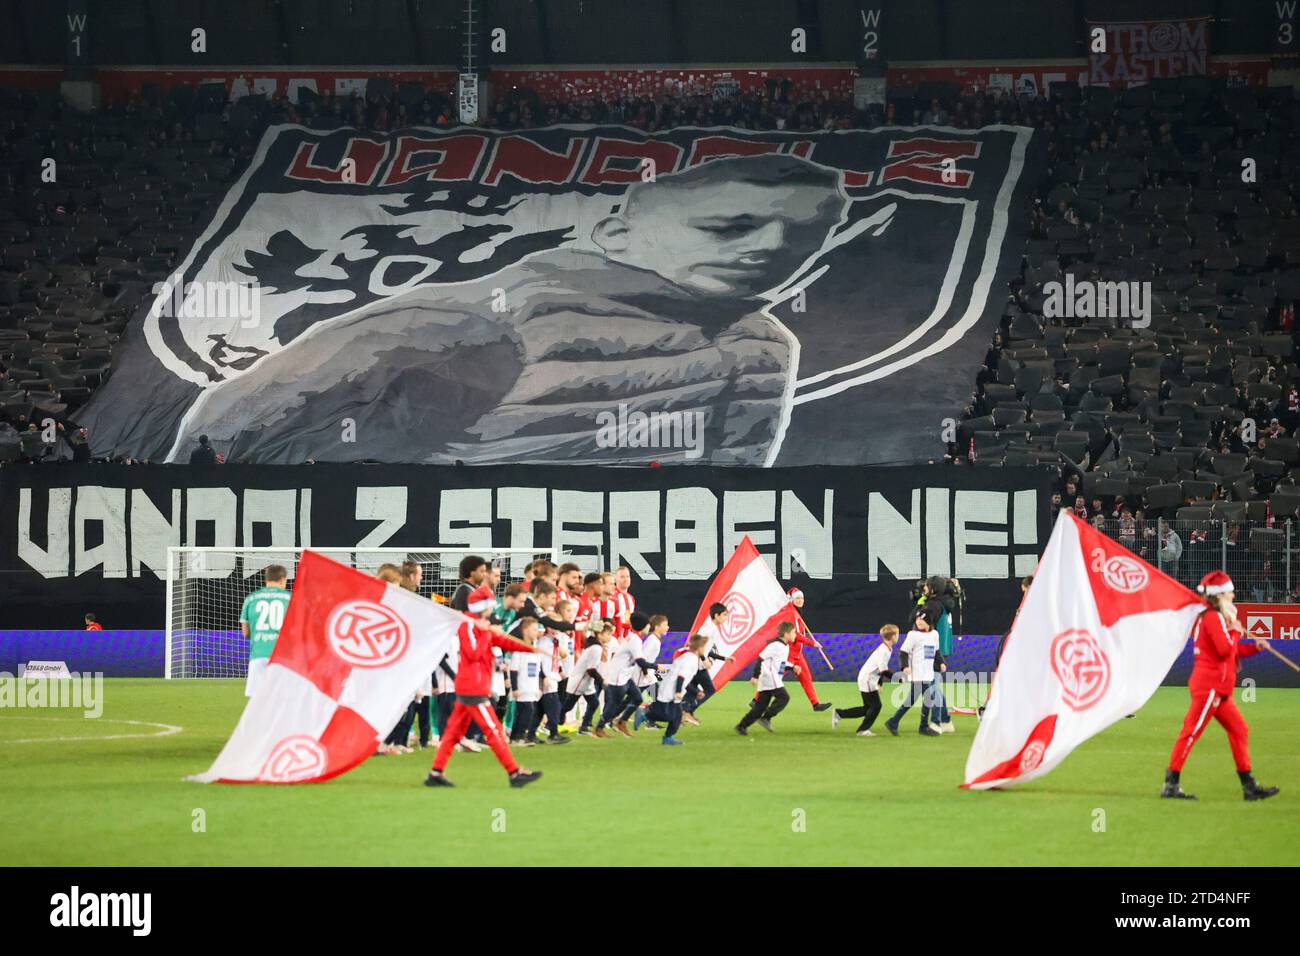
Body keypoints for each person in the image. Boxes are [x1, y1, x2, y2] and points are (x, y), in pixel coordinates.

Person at [160, 154, 847, 466]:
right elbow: (244, 412)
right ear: (615, 234)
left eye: (799, 237)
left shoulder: (767, 348)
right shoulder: (484, 320)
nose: (769, 250)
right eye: (730, 228)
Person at [1162, 571, 1279, 801]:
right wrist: (1235, 629)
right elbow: (1226, 649)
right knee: (1191, 732)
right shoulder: (1213, 618)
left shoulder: (1215, 617)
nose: (1234, 595)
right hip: (1210, 687)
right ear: (1221, 595)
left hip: (1218, 688)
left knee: (1239, 730)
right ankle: (1171, 784)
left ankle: (1249, 786)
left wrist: (1255, 647)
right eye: (1230, 591)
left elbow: (1229, 652)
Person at [425, 585, 542, 789]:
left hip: (472, 686)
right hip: (473, 687)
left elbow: (502, 640)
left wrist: (529, 647)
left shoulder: (480, 624)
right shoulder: (469, 625)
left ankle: (436, 772)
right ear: (484, 606)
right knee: (494, 730)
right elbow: (473, 654)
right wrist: (487, 633)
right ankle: (514, 773)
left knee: (453, 732)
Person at [635, 633, 708, 746]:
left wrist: (696, 692)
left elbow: (685, 680)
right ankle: (645, 715)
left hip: (669, 688)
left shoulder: (687, 657)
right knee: (667, 716)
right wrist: (678, 692)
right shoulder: (691, 660)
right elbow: (681, 677)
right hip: (670, 691)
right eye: (704, 647)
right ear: (700, 648)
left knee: (677, 716)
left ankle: (668, 738)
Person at [883, 607, 944, 737]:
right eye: (917, 619)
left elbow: (936, 651)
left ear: (929, 621)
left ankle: (894, 722)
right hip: (918, 674)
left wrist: (942, 662)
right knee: (928, 699)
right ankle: (922, 726)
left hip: (928, 673)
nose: (919, 622)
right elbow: (903, 652)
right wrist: (904, 667)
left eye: (922, 619)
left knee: (913, 700)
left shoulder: (934, 635)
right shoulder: (913, 635)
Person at [832, 624, 897, 736]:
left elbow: (880, 668)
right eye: (897, 634)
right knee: (876, 706)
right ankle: (862, 730)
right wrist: (898, 679)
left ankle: (839, 713)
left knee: (868, 708)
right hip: (867, 679)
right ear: (892, 637)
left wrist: (880, 683)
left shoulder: (886, 648)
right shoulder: (884, 651)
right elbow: (884, 671)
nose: (898, 636)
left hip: (868, 678)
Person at [735, 621, 797, 735]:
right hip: (770, 677)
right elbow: (761, 658)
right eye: (793, 632)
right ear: (786, 633)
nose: (795, 635)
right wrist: (755, 676)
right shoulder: (775, 645)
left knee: (759, 707)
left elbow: (781, 663)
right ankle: (766, 718)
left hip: (771, 679)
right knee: (784, 697)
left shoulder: (785, 646)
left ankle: (741, 726)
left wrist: (793, 667)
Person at [238, 564, 290, 698]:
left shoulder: (251, 599)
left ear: (266, 580)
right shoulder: (290, 599)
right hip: (282, 656)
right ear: (283, 580)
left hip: (258, 655)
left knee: (257, 702)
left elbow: (245, 633)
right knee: (281, 699)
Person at [680, 602, 732, 724]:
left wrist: (723, 658)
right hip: (698, 664)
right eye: (724, 615)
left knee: (692, 691)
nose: (726, 618)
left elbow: (706, 649)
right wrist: (704, 660)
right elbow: (697, 644)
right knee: (709, 690)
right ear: (717, 615)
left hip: (697, 663)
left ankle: (685, 712)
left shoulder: (711, 627)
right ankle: (686, 712)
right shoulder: (709, 628)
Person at [784, 588, 833, 711]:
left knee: (806, 678)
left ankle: (816, 704)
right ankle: (756, 700)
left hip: (797, 655)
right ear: (792, 599)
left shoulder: (796, 613)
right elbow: (795, 636)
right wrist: (813, 643)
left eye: (802, 598)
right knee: (775, 678)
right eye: (797, 598)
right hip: (788, 655)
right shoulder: (791, 613)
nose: (800, 600)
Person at [565, 620, 611, 737]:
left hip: (586, 681)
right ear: (599, 634)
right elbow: (591, 670)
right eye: (607, 634)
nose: (610, 636)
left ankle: (584, 727)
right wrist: (602, 681)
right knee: (568, 705)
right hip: (580, 680)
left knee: (594, 703)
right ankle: (552, 724)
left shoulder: (596, 646)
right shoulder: (596, 647)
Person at [508, 618, 544, 747]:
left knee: (524, 713)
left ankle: (515, 738)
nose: (536, 632)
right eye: (534, 629)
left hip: (532, 687)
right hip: (523, 687)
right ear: (525, 630)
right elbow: (513, 670)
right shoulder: (519, 650)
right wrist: (515, 688)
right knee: (526, 712)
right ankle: (520, 737)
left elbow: (539, 670)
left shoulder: (535, 650)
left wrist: (540, 686)